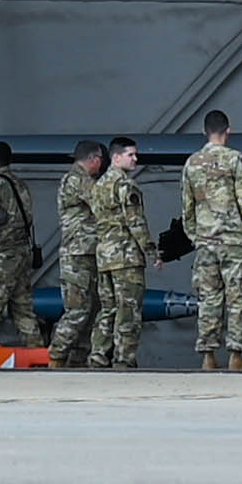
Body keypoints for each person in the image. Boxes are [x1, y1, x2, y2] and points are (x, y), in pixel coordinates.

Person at [181, 113, 242, 371]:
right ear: (228, 131)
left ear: (205, 131)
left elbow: (187, 206)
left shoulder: (192, 163)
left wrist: (195, 235)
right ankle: (236, 355)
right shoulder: (236, 160)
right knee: (238, 299)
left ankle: (208, 355)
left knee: (209, 299)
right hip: (234, 240)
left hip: (205, 241)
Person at [89, 139, 150, 368]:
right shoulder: (126, 185)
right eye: (131, 155)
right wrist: (151, 250)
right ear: (116, 157)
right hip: (125, 256)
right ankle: (124, 358)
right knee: (129, 310)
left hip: (104, 257)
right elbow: (136, 222)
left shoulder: (98, 186)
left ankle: (98, 353)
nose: (135, 159)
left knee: (108, 309)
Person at [45, 144, 105, 364]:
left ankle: (77, 360)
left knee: (89, 311)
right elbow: (103, 203)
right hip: (78, 255)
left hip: (86, 253)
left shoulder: (75, 179)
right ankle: (56, 355)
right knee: (78, 310)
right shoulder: (78, 179)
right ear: (94, 159)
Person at [0, 144, 41, 350]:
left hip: (2, 254)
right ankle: (37, 353)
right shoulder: (20, 184)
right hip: (22, 252)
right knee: (23, 308)